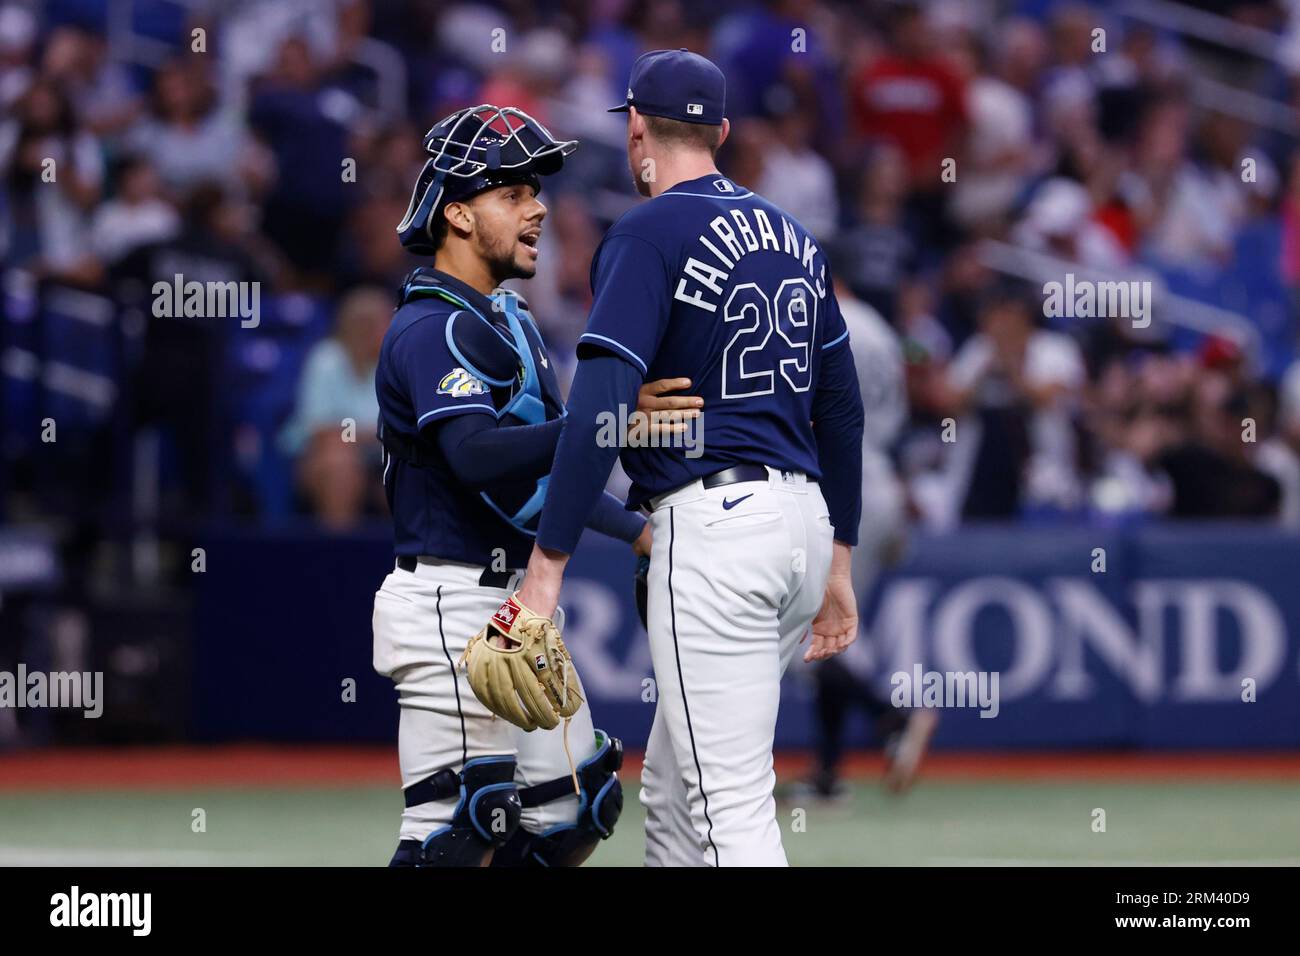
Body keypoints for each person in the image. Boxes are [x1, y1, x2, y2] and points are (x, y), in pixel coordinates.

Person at [509, 51, 865, 866]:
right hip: (801, 527)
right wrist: (839, 556)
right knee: (672, 790)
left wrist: (548, 564)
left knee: (727, 804)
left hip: (717, 531)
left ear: (637, 127)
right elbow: (841, 410)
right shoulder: (797, 236)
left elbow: (600, 404)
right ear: (723, 133)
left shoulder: (644, 229)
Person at [371, 103, 699, 867]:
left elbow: (539, 481)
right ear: (457, 213)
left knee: (575, 810)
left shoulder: (508, 320)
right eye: (513, 193)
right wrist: (603, 416)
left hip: (511, 601)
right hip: (447, 602)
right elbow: (475, 457)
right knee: (458, 828)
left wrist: (635, 529)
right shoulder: (431, 328)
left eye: (535, 192)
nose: (538, 207)